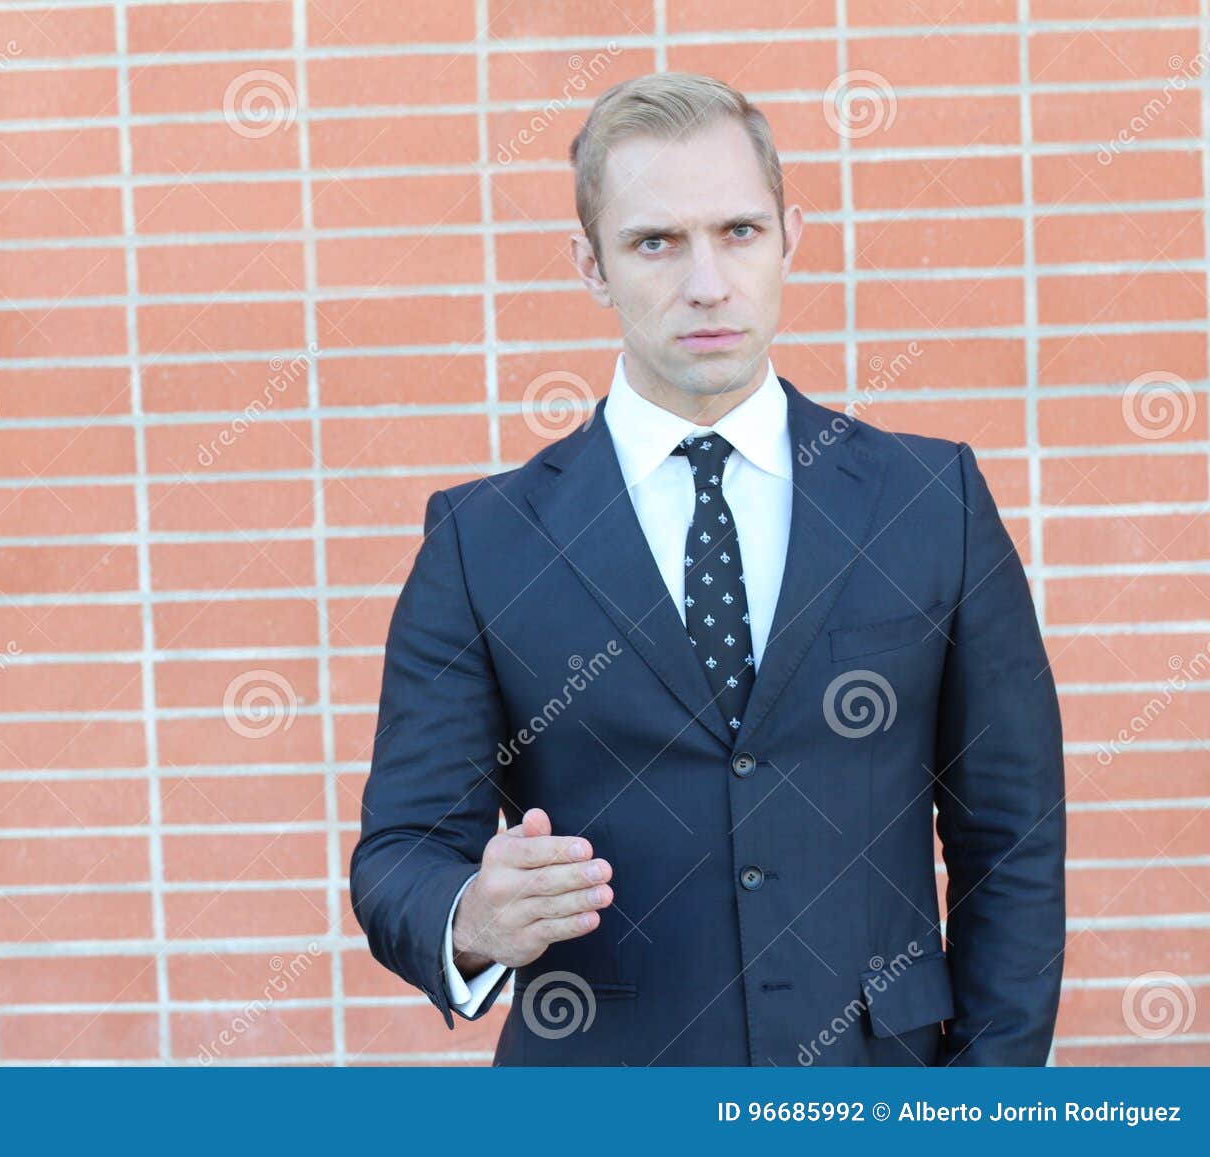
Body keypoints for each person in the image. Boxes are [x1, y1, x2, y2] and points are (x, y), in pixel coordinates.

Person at [348, 71, 1065, 1066]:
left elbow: (1012, 837)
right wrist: (470, 913)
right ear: (590, 265)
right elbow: (402, 852)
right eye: (655, 241)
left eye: (738, 231)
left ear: (789, 235)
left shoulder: (927, 498)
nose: (706, 282)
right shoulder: (483, 540)